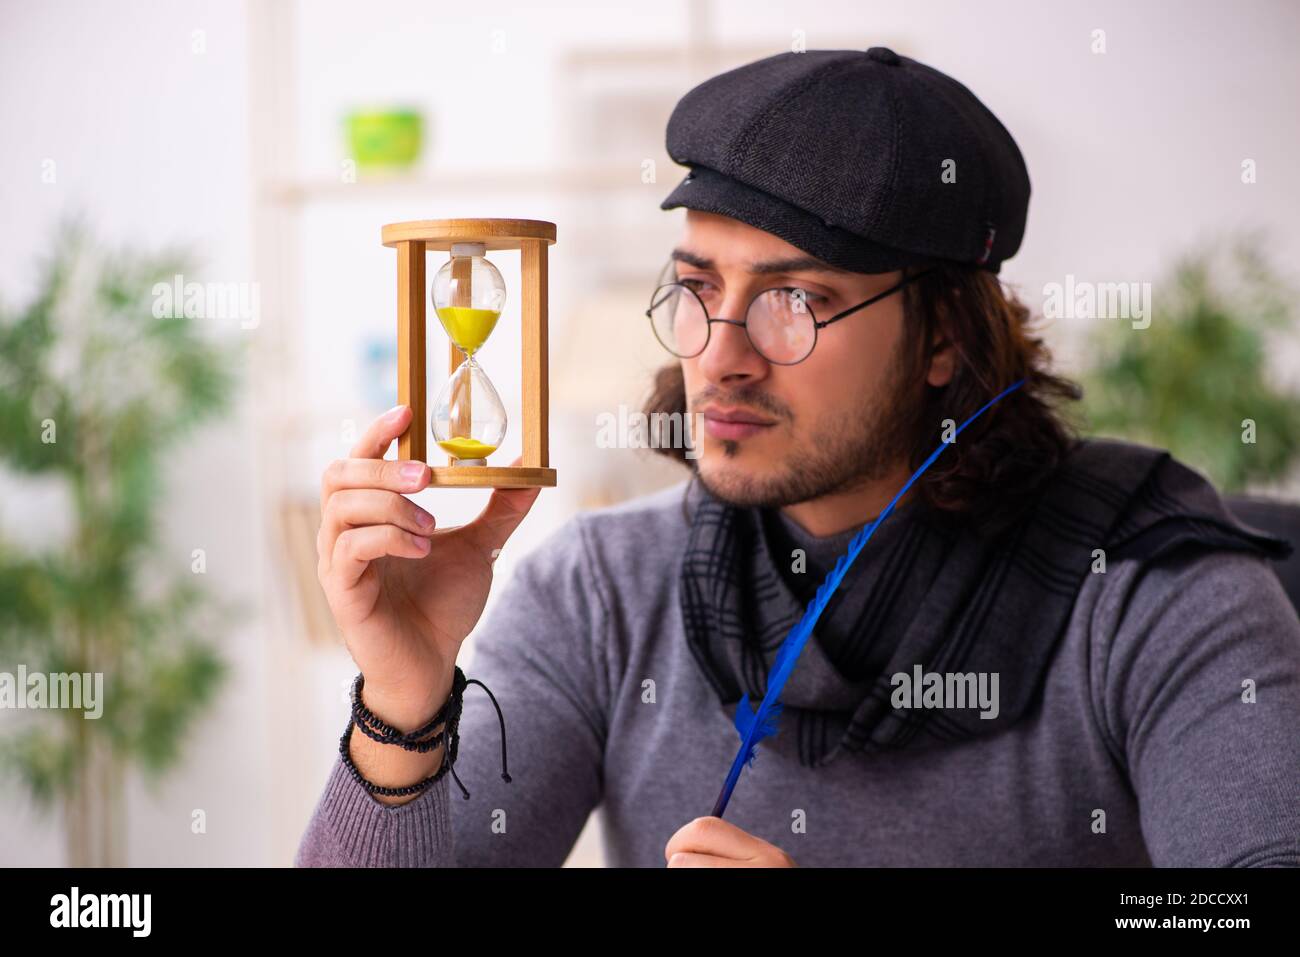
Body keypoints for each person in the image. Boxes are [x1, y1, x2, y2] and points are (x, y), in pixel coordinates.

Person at [296, 48, 1300, 867]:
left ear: (943, 337)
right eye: (696, 287)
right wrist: (405, 706)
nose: (719, 357)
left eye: (797, 301)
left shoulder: (1158, 593)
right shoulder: (597, 592)